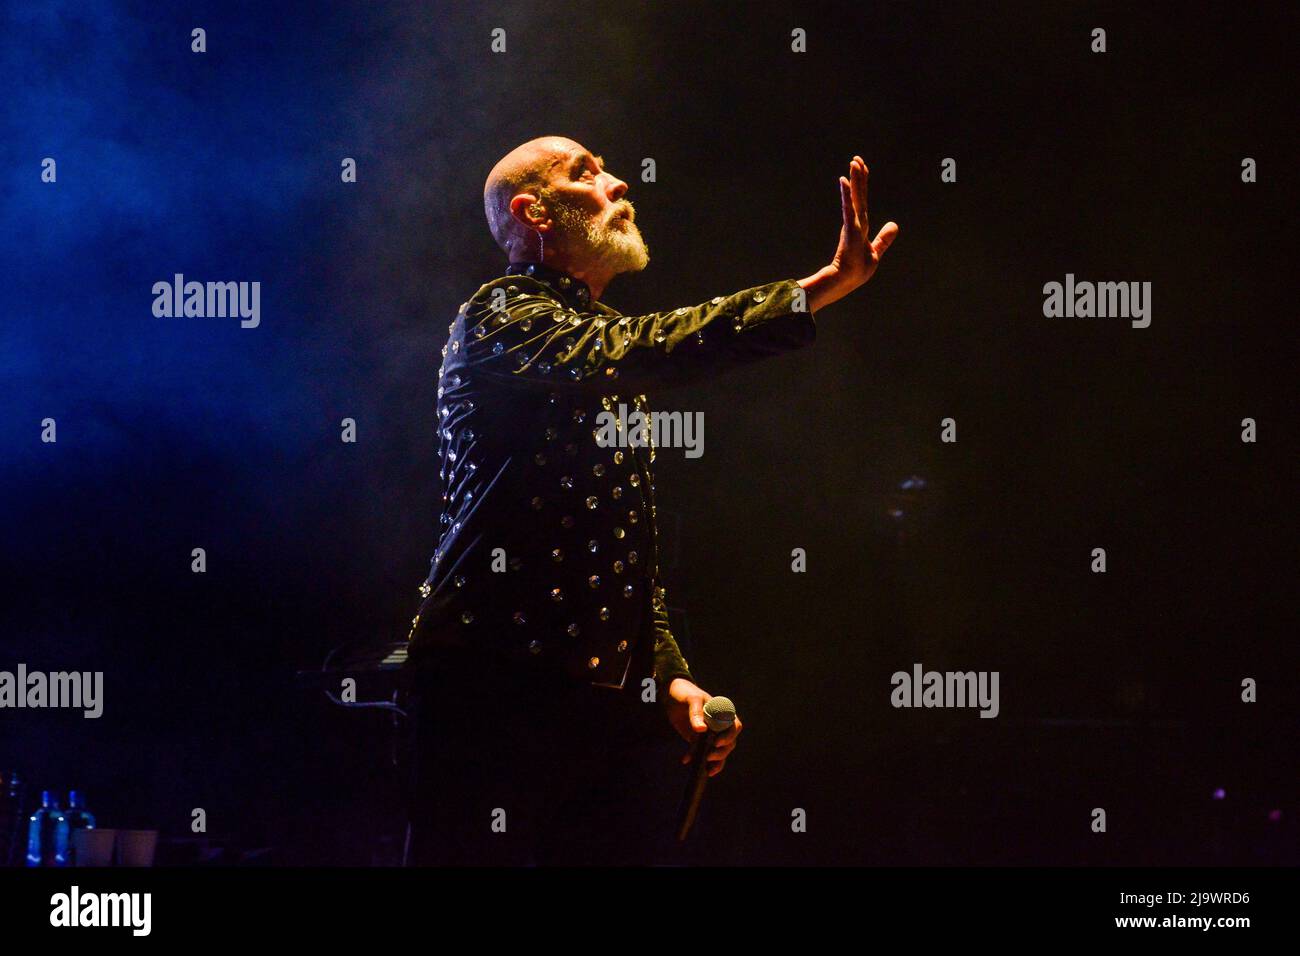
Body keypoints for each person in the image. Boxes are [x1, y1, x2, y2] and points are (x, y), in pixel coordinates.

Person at [403, 135, 897, 865]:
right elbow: (648, 346)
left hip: (592, 701)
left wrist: (668, 674)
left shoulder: (595, 340)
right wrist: (815, 288)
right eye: (586, 173)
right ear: (533, 211)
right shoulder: (499, 318)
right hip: (488, 689)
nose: (618, 182)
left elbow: (620, 545)